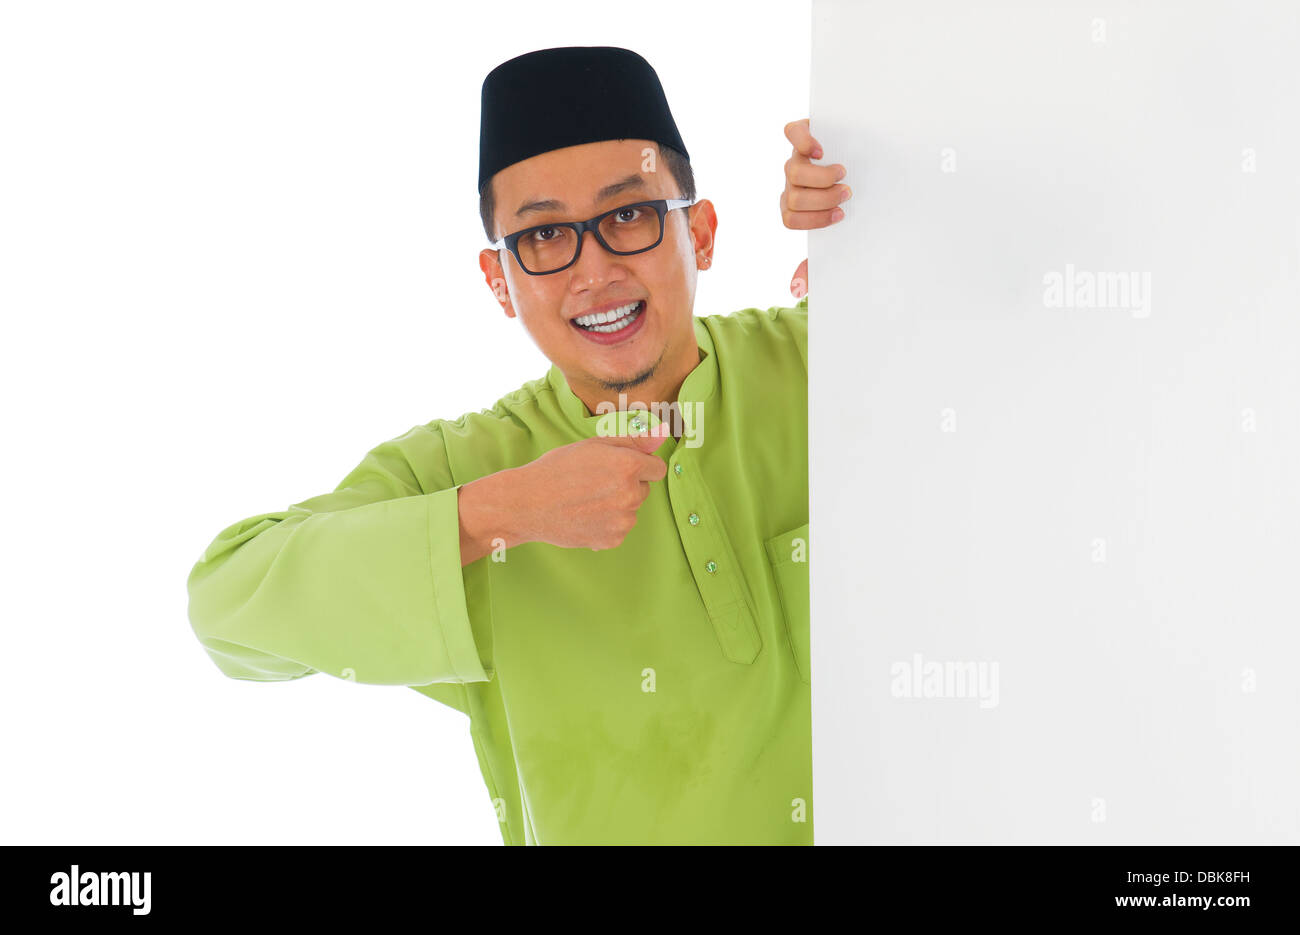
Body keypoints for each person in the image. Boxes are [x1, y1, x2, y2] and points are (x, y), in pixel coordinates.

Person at [185, 46, 851, 845]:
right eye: (541, 237)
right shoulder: (463, 469)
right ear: (499, 281)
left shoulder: (829, 364)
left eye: (630, 215)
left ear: (701, 231)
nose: (593, 269)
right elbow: (225, 609)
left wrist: (877, 229)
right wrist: (499, 513)